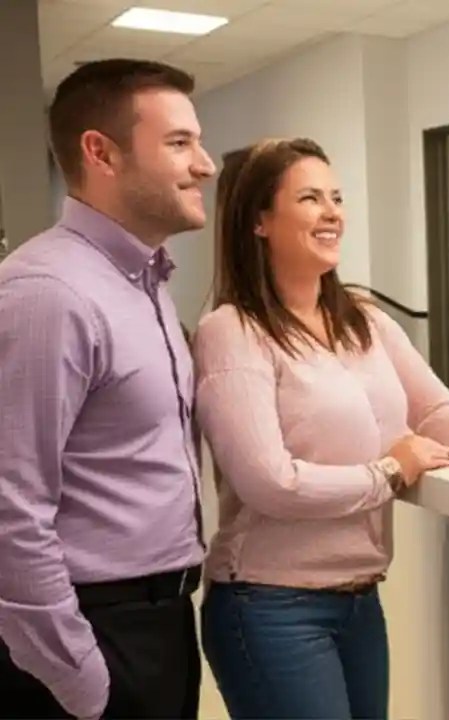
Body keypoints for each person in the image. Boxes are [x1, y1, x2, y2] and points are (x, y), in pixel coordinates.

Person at [193, 137, 449, 719]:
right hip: (269, 604)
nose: (332, 213)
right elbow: (269, 483)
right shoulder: (232, 332)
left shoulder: (361, 317)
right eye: (310, 198)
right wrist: (390, 473)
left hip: (359, 600)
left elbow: (432, 411)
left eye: (337, 197)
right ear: (260, 222)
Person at [0, 59, 215, 718]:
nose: (205, 164)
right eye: (179, 143)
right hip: (93, 636)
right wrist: (82, 682)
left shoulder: (142, 284)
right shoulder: (48, 294)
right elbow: (10, 508)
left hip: (163, 621)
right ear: (101, 152)